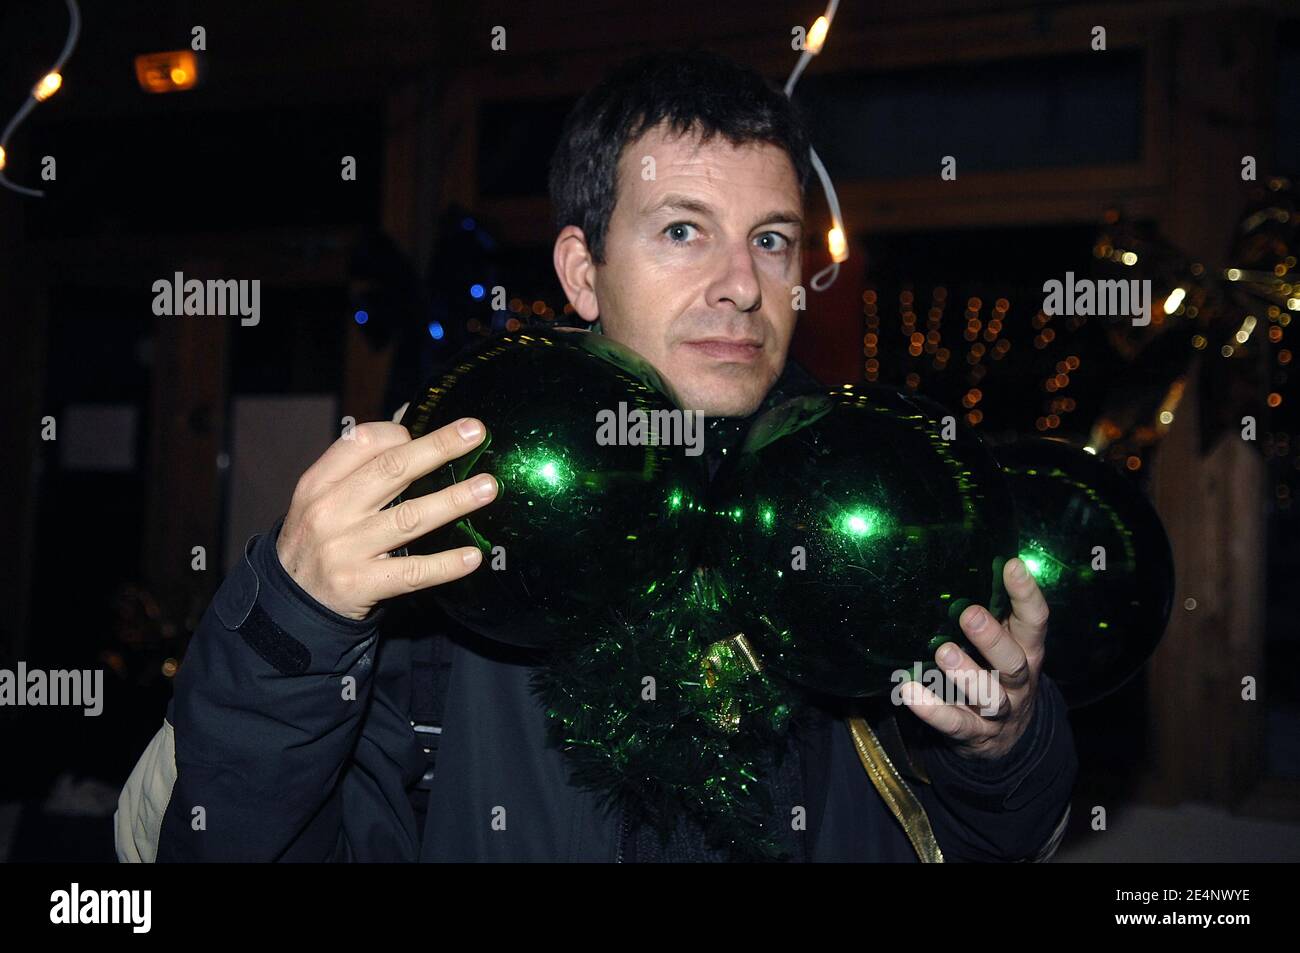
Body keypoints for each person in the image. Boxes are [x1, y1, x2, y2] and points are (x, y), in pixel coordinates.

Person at [116, 49, 1076, 863]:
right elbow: (173, 843)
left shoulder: (883, 510)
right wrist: (292, 625)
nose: (740, 284)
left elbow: (1003, 842)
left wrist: (1004, 748)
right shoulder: (440, 500)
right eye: (683, 230)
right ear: (583, 272)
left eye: (771, 240)